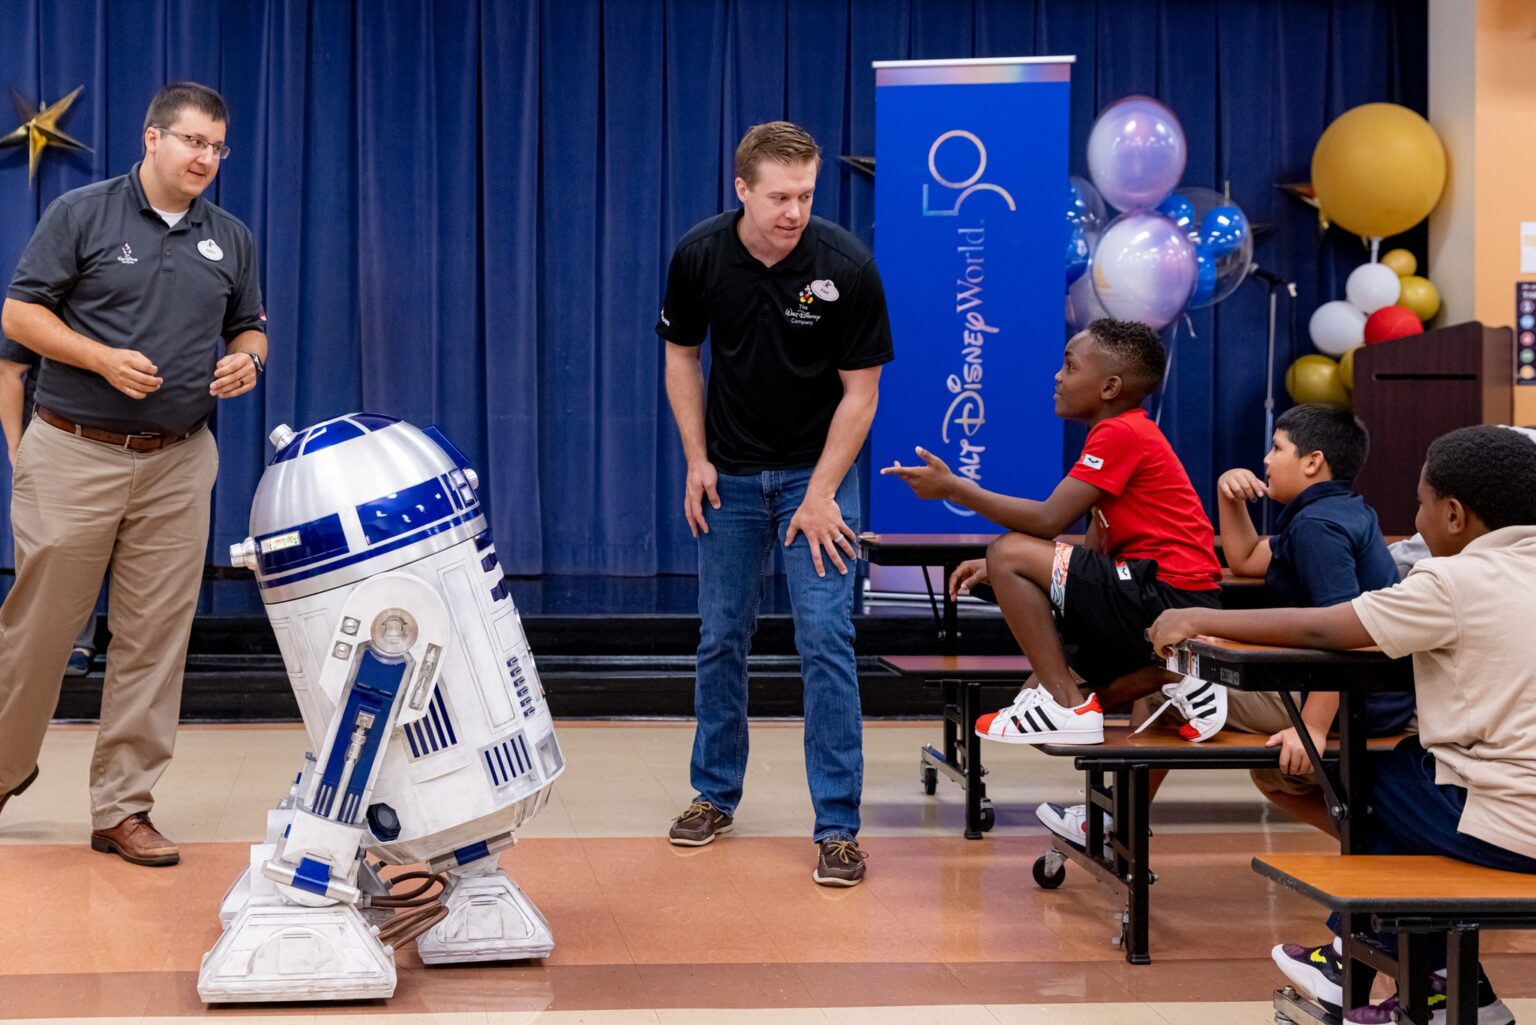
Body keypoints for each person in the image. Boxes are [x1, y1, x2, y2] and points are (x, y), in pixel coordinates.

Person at [1149, 424, 1536, 1025]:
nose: (1415, 520)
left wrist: (1200, 617)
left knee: (1352, 792)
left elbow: (1326, 627)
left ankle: (1379, 967)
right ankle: (1422, 981)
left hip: (1512, 826)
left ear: (1454, 515)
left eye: (1420, 505)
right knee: (1401, 771)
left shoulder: (1455, 580)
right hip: (1492, 802)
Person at [0, 82, 267, 867]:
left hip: (178, 461)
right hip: (74, 451)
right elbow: (19, 316)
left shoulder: (231, 237)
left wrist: (248, 361)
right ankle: (4, 767)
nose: (206, 158)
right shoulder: (81, 214)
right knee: (38, 634)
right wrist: (99, 358)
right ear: (153, 138)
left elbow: (249, 326)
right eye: (193, 141)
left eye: (217, 147)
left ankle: (123, 806)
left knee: (154, 639)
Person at [657, 121, 892, 886]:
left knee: (826, 639)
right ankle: (714, 793)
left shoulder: (845, 266)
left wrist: (821, 493)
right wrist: (696, 459)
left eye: (806, 196)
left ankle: (839, 827)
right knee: (721, 635)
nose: (794, 211)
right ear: (743, 190)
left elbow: (862, 394)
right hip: (729, 474)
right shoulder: (700, 255)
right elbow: (682, 355)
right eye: (780, 197)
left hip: (815, 477)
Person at [883, 318, 1222, 749]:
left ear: (1110, 387)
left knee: (1008, 551)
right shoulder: (1122, 433)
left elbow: (1047, 521)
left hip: (1168, 596)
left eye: (1070, 366)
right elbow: (1092, 551)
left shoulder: (1120, 433)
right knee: (1032, 690)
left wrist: (956, 490)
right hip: (1158, 592)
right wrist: (1011, 566)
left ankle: (1067, 706)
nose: (1058, 376)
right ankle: (1174, 675)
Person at [1, 341, 103, 676]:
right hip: (54, 435)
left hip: (127, 434)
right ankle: (46, 645)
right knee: (55, 545)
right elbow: (9, 370)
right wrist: (16, 445)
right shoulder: (42, 309)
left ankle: (78, 642)